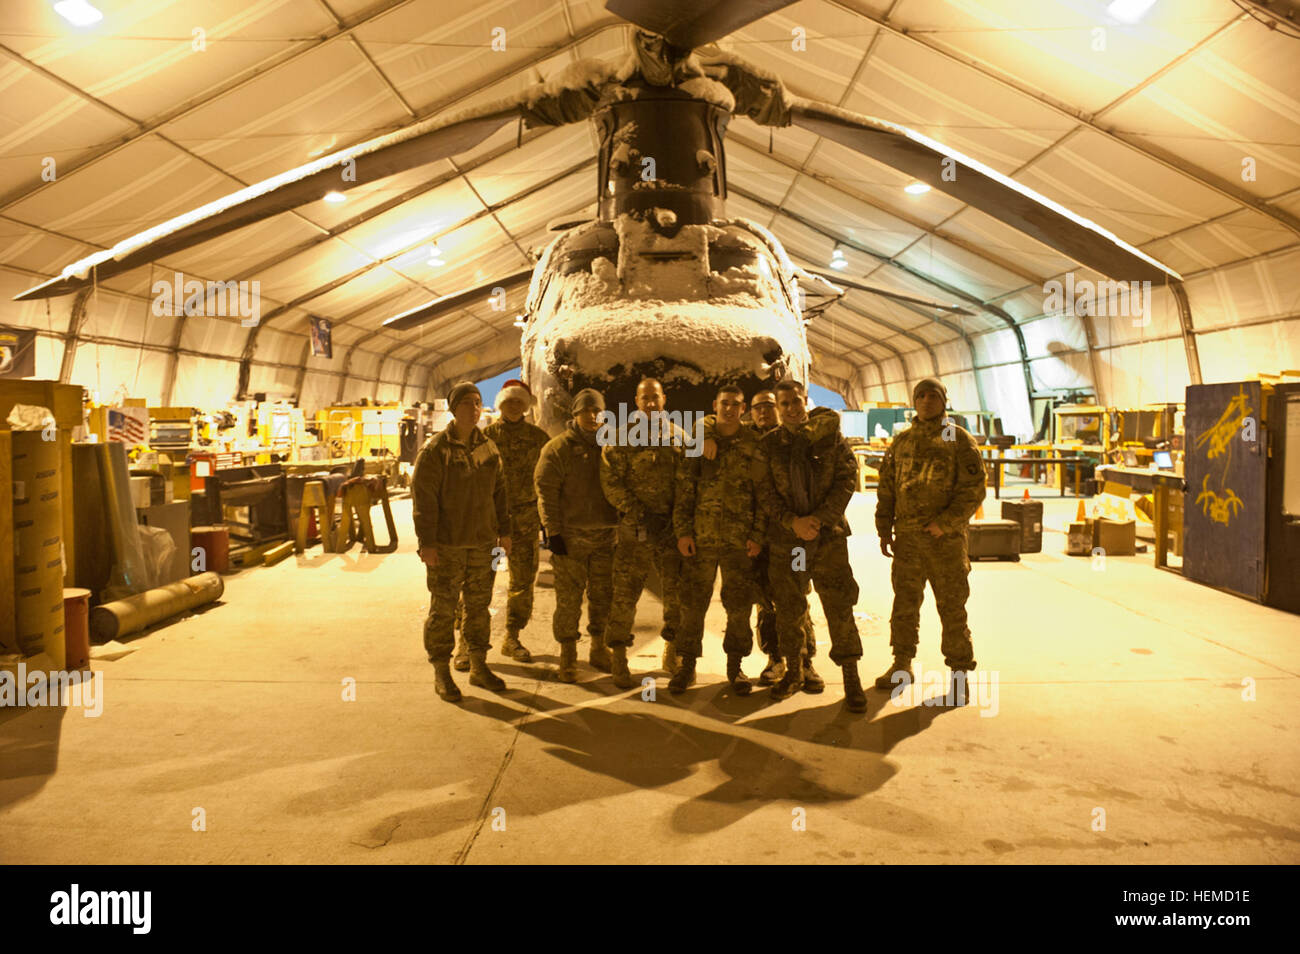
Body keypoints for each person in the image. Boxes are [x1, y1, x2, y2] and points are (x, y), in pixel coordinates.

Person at [874, 377, 986, 704]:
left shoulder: (957, 439)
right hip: (907, 542)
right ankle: (902, 663)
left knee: (952, 607)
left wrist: (945, 524)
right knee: (904, 605)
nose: (926, 401)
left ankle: (959, 673)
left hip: (945, 544)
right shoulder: (902, 442)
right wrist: (884, 529)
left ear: (943, 401)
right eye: (920, 396)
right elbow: (886, 489)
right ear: (914, 401)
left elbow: (973, 489)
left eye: (932, 396)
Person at [757, 379, 867, 712]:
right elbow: (764, 492)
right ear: (778, 407)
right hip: (789, 543)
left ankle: (851, 677)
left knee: (839, 606)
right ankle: (794, 672)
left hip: (828, 538)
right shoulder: (768, 445)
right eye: (784, 403)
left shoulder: (829, 437)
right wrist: (793, 522)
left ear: (806, 401)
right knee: (789, 609)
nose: (791, 408)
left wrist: (819, 519)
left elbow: (847, 477)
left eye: (796, 401)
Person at [413, 381, 511, 702]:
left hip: (484, 544)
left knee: (479, 606)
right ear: (454, 409)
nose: (474, 407)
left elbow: (500, 493)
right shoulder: (436, 450)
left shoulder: (488, 447)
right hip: (448, 545)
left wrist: (505, 533)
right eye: (467, 402)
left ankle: (479, 665)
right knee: (443, 609)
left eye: (478, 401)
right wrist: (427, 543)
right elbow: (424, 501)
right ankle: (441, 671)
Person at [673, 384, 763, 695]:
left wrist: (757, 535)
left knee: (738, 606)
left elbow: (761, 494)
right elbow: (685, 487)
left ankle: (735, 667)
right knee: (692, 604)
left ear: (743, 409)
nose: (729, 409)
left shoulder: (754, 442)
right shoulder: (699, 439)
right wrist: (683, 531)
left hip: (739, 540)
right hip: (702, 537)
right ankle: (686, 666)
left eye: (736, 404)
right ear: (715, 405)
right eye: (724, 403)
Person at [600, 377, 686, 679]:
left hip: (669, 532)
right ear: (636, 402)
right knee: (625, 593)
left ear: (665, 399)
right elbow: (611, 483)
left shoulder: (679, 437)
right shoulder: (620, 438)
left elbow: (688, 484)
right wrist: (640, 514)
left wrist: (675, 519)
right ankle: (620, 656)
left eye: (655, 397)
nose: (650, 403)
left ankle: (673, 650)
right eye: (644, 398)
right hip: (634, 531)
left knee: (675, 594)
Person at [534, 388, 620, 683]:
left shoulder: (612, 445)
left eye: (597, 410)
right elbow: (545, 490)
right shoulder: (558, 449)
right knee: (569, 600)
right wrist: (552, 531)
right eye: (586, 411)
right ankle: (567, 655)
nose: (593, 416)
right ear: (575, 414)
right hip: (570, 538)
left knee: (602, 597)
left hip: (606, 537)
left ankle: (598, 648)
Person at [745, 389, 818, 688]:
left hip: (792, 538)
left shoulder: (794, 439)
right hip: (757, 540)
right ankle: (775, 657)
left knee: (798, 597)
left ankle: (804, 659)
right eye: (757, 407)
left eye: (769, 406)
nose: (763, 412)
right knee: (764, 600)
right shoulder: (746, 441)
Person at [481, 379, 550, 663]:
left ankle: (512, 636)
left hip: (525, 522)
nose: (514, 407)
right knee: (480, 581)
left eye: (520, 402)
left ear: (526, 405)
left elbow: (548, 478)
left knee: (522, 582)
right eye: (510, 402)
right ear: (501, 404)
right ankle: (470, 642)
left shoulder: (538, 438)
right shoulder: (485, 438)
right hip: (489, 522)